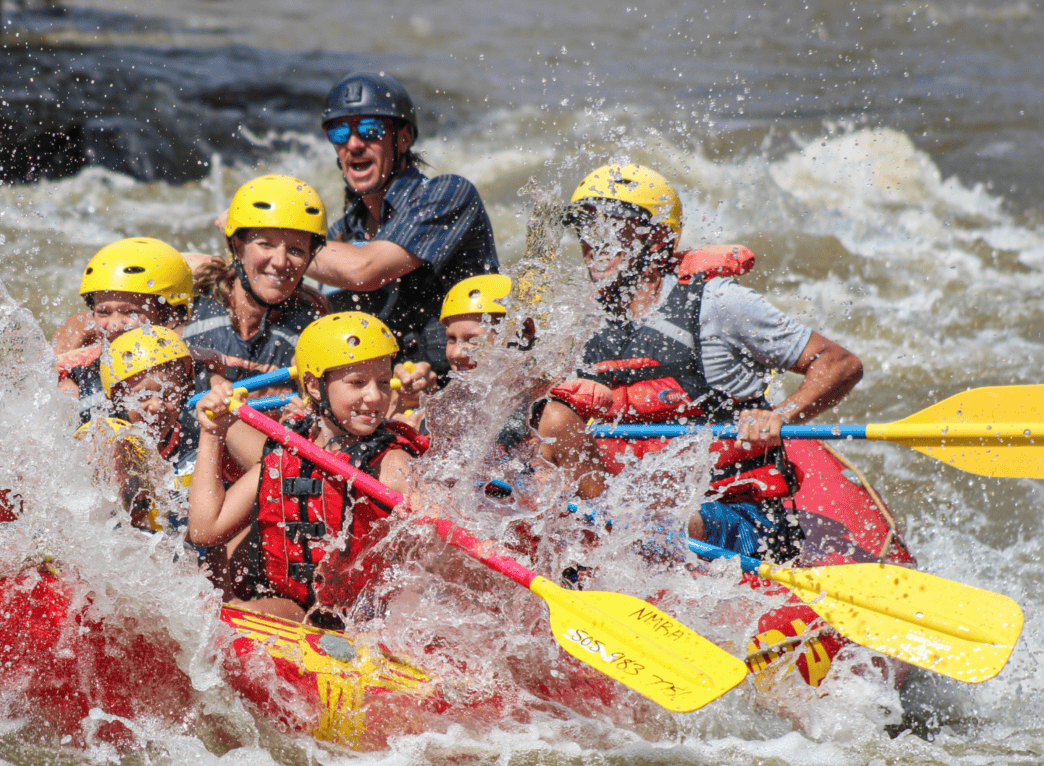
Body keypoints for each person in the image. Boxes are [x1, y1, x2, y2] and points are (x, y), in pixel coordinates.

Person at [548, 163, 863, 560]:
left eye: (613, 227)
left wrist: (781, 416)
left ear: (660, 237)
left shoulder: (717, 303)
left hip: (735, 512)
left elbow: (839, 363)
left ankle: (617, 547)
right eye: (586, 227)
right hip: (625, 505)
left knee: (652, 522)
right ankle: (595, 549)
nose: (595, 242)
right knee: (556, 420)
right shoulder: (581, 319)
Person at [188, 312, 426, 628]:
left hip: (364, 625)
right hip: (296, 612)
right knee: (214, 615)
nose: (375, 396)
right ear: (314, 385)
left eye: (383, 382)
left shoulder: (391, 461)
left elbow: (434, 542)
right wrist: (212, 433)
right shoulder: (289, 449)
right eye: (357, 383)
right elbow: (206, 529)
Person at [303, 71, 500, 393]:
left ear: (404, 138)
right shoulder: (339, 235)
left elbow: (365, 269)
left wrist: (265, 243)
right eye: (340, 132)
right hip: (383, 398)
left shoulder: (448, 195)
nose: (353, 144)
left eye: (370, 130)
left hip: (468, 390)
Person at [183, 175, 329, 386]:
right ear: (238, 247)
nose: (280, 262)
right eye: (266, 245)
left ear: (310, 257)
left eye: (296, 250)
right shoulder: (191, 303)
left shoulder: (313, 331)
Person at [54, 237, 194, 421]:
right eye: (103, 312)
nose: (114, 326)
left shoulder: (196, 370)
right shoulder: (76, 386)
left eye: (132, 313)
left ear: (168, 313)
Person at [81, 325, 201, 536]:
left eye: (169, 393)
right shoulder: (105, 436)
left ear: (184, 391)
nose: (156, 406)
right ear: (119, 400)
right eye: (142, 396)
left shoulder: (197, 440)